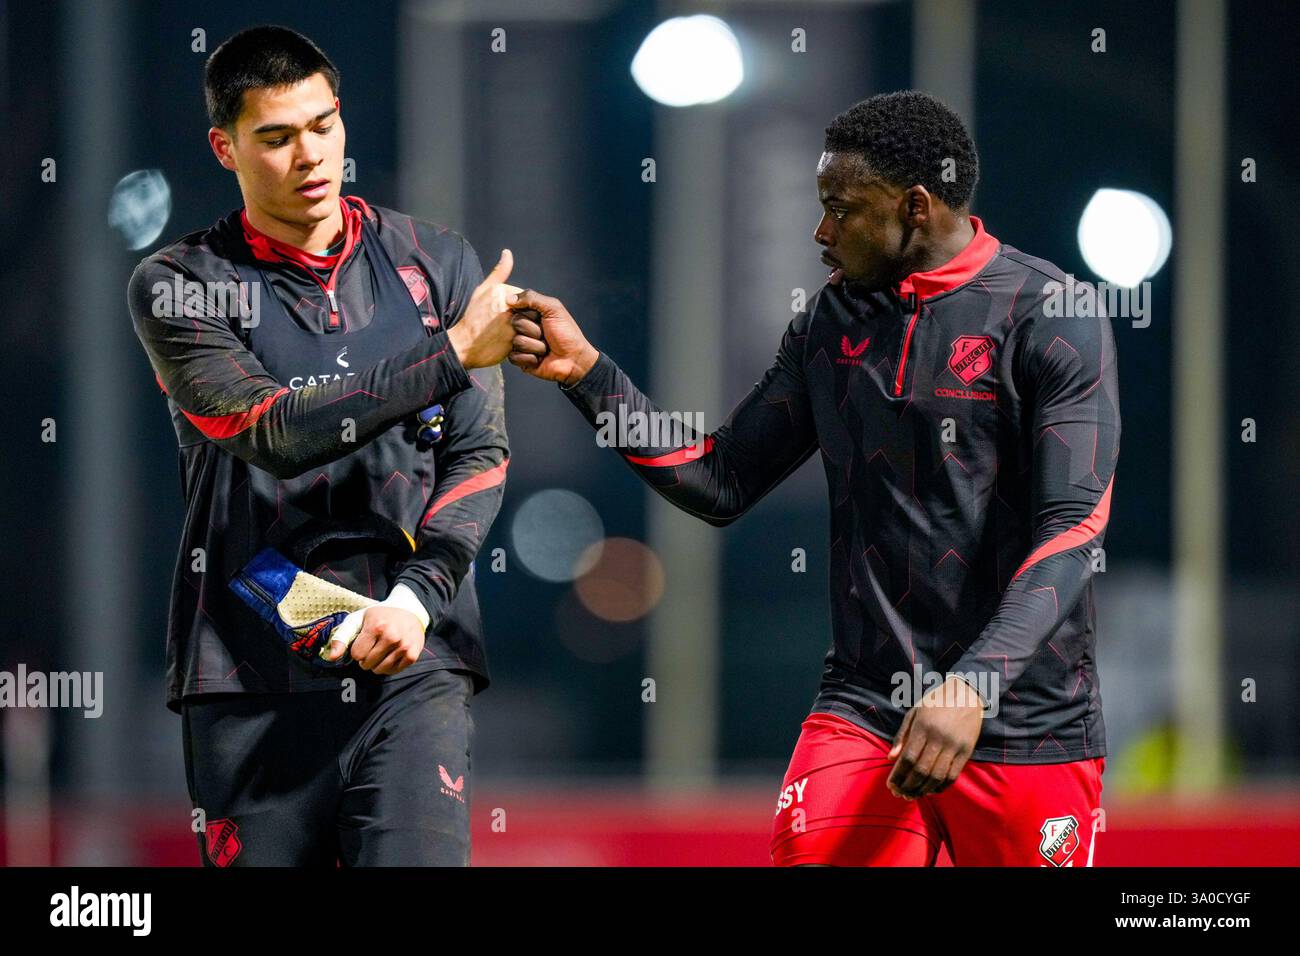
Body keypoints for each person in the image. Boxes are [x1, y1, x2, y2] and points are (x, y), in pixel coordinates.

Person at [507, 91, 1120, 867]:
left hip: (1028, 719)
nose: (820, 232)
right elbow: (720, 480)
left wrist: (973, 686)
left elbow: (1071, 531)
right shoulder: (830, 324)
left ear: (916, 206)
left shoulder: (1051, 313)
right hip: (865, 707)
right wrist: (590, 376)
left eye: (841, 209)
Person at [128, 25, 518, 866]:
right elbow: (271, 433)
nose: (311, 156)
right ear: (223, 147)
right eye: (276, 137)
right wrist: (448, 355)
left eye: (324, 125)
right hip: (248, 663)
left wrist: (417, 598)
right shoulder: (179, 283)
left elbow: (479, 455)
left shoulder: (437, 261)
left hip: (413, 653)